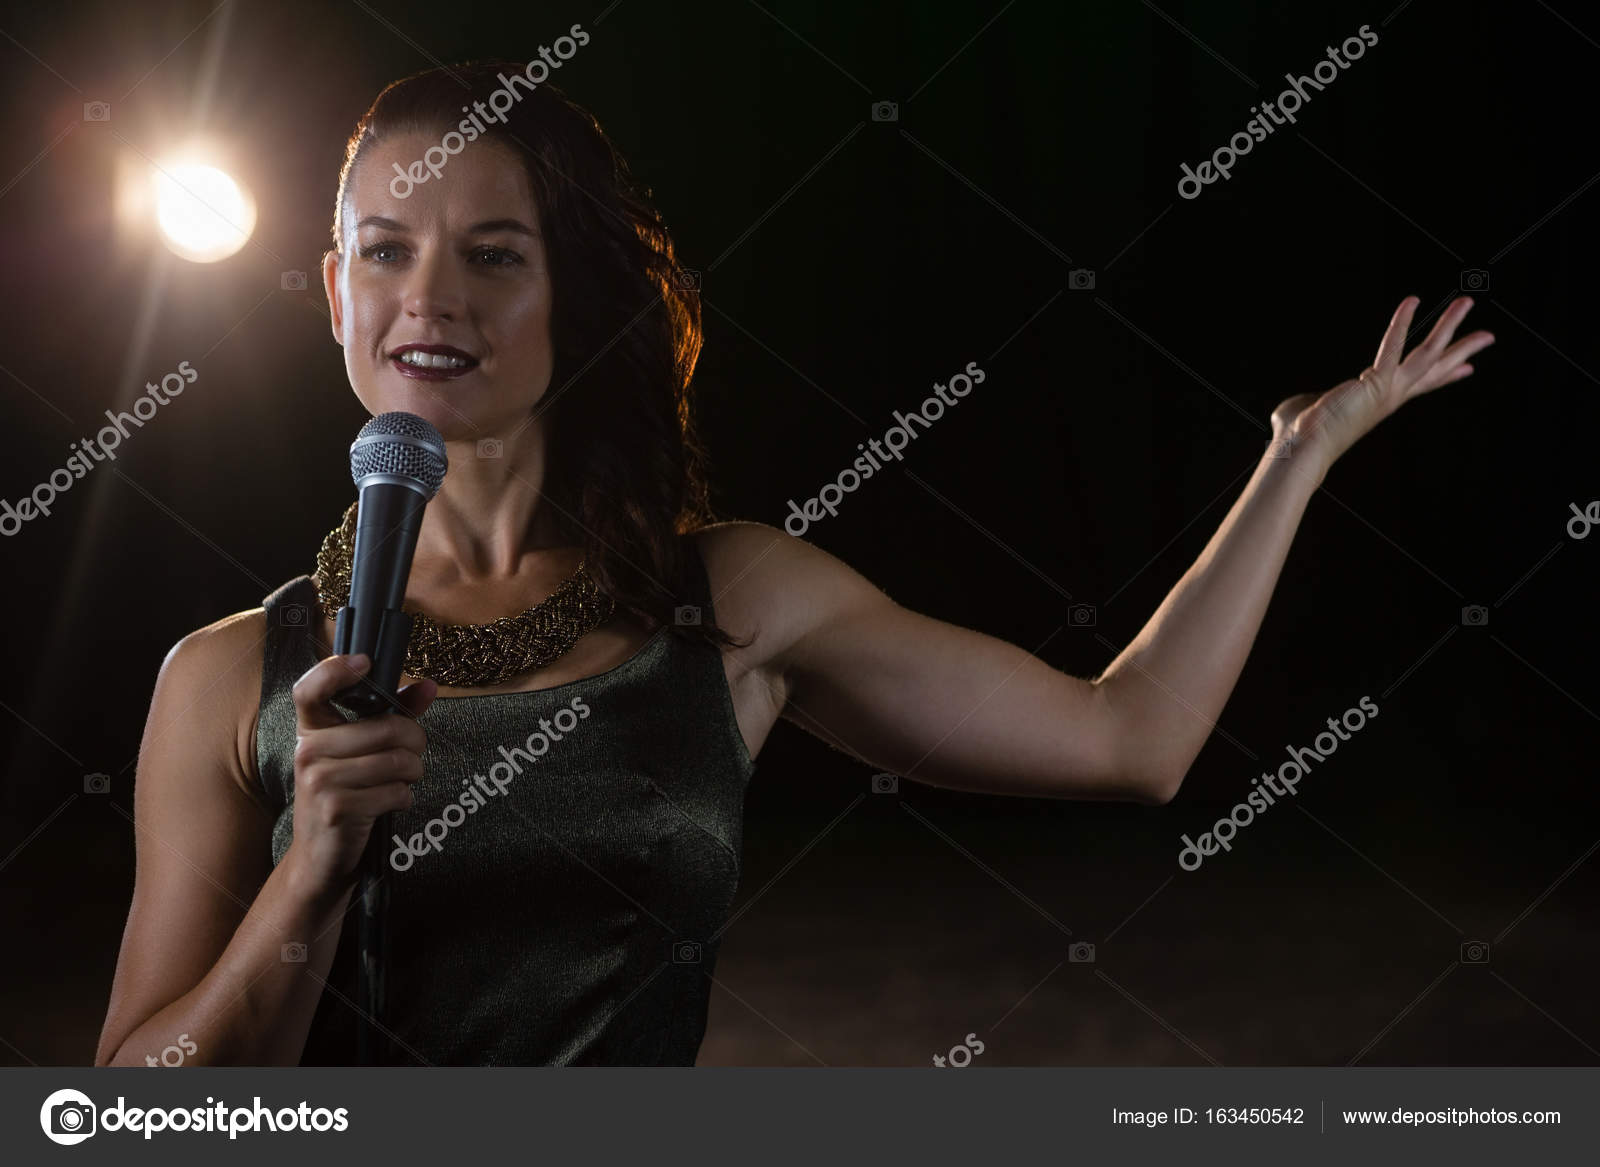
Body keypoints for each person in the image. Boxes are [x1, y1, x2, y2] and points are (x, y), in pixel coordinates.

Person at [93, 60, 1494, 1067]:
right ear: (335, 289)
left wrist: (1298, 455)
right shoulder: (229, 680)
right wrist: (313, 871)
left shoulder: (732, 602)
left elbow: (1133, 738)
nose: (428, 299)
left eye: (494, 254)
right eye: (384, 251)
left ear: (574, 293)